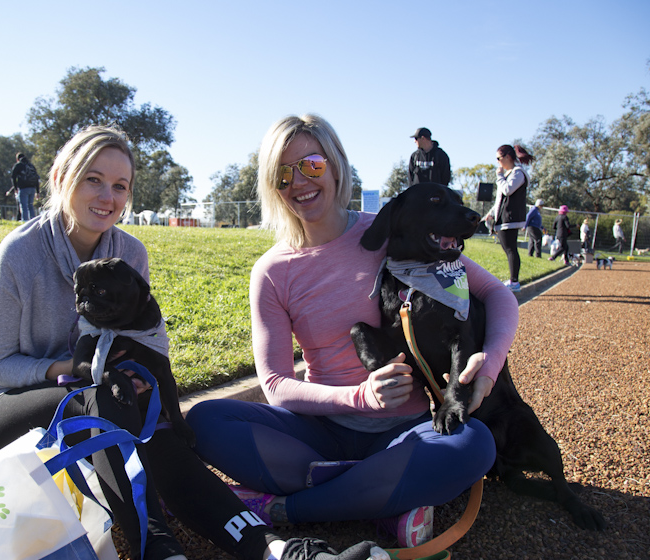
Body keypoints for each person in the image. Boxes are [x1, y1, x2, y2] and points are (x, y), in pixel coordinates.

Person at [0, 124, 379, 560]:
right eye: (92, 180)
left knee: (158, 432)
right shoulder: (17, 256)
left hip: (107, 398)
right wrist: (69, 372)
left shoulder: (129, 255)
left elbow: (133, 339)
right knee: (99, 398)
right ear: (61, 178)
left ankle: (275, 550)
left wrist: (137, 381)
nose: (107, 197)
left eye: (120, 186)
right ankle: (157, 548)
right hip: (17, 405)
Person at [185, 114, 519, 549]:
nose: (298, 182)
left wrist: (488, 365)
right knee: (206, 420)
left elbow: (497, 293)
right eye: (283, 173)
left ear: (336, 164)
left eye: (312, 165)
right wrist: (358, 397)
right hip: (321, 432)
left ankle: (286, 509)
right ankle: (379, 498)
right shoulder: (270, 272)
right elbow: (274, 385)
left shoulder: (388, 231)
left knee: (474, 446)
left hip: (409, 428)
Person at [486, 144, 535, 293]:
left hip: (511, 218)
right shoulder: (510, 174)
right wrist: (492, 213)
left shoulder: (518, 173)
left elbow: (507, 190)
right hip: (504, 217)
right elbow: (500, 199)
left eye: (499, 158)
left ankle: (514, 281)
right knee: (509, 249)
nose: (498, 162)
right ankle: (513, 280)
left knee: (510, 249)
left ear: (508, 157)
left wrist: (499, 176)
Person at [9, 152, 39, 221]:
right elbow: (36, 178)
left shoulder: (18, 165)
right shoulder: (31, 166)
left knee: (24, 206)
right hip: (32, 188)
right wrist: (37, 191)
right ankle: (33, 221)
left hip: (23, 188)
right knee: (30, 206)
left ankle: (25, 220)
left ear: (17, 159)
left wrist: (15, 188)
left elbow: (13, 177)